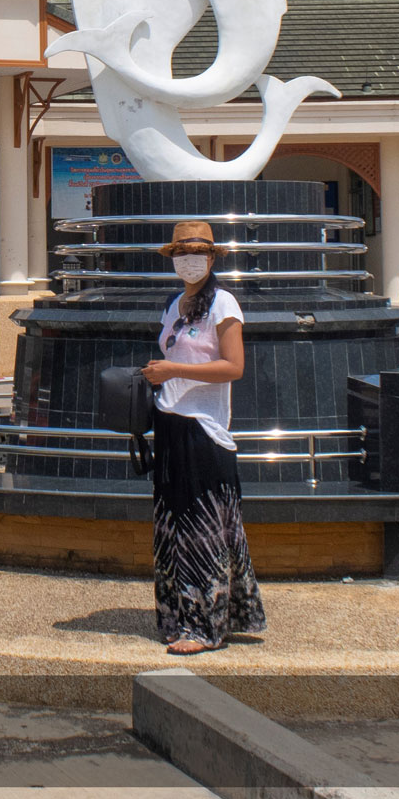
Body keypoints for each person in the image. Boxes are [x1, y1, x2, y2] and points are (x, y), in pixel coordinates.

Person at [142, 220, 266, 654]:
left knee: (204, 530)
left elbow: (234, 367)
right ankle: (178, 615)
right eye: (181, 253)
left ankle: (205, 627)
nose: (188, 260)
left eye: (196, 252)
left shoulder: (224, 304)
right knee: (172, 527)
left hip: (204, 431)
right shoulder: (174, 305)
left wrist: (175, 370)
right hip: (170, 423)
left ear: (212, 258)